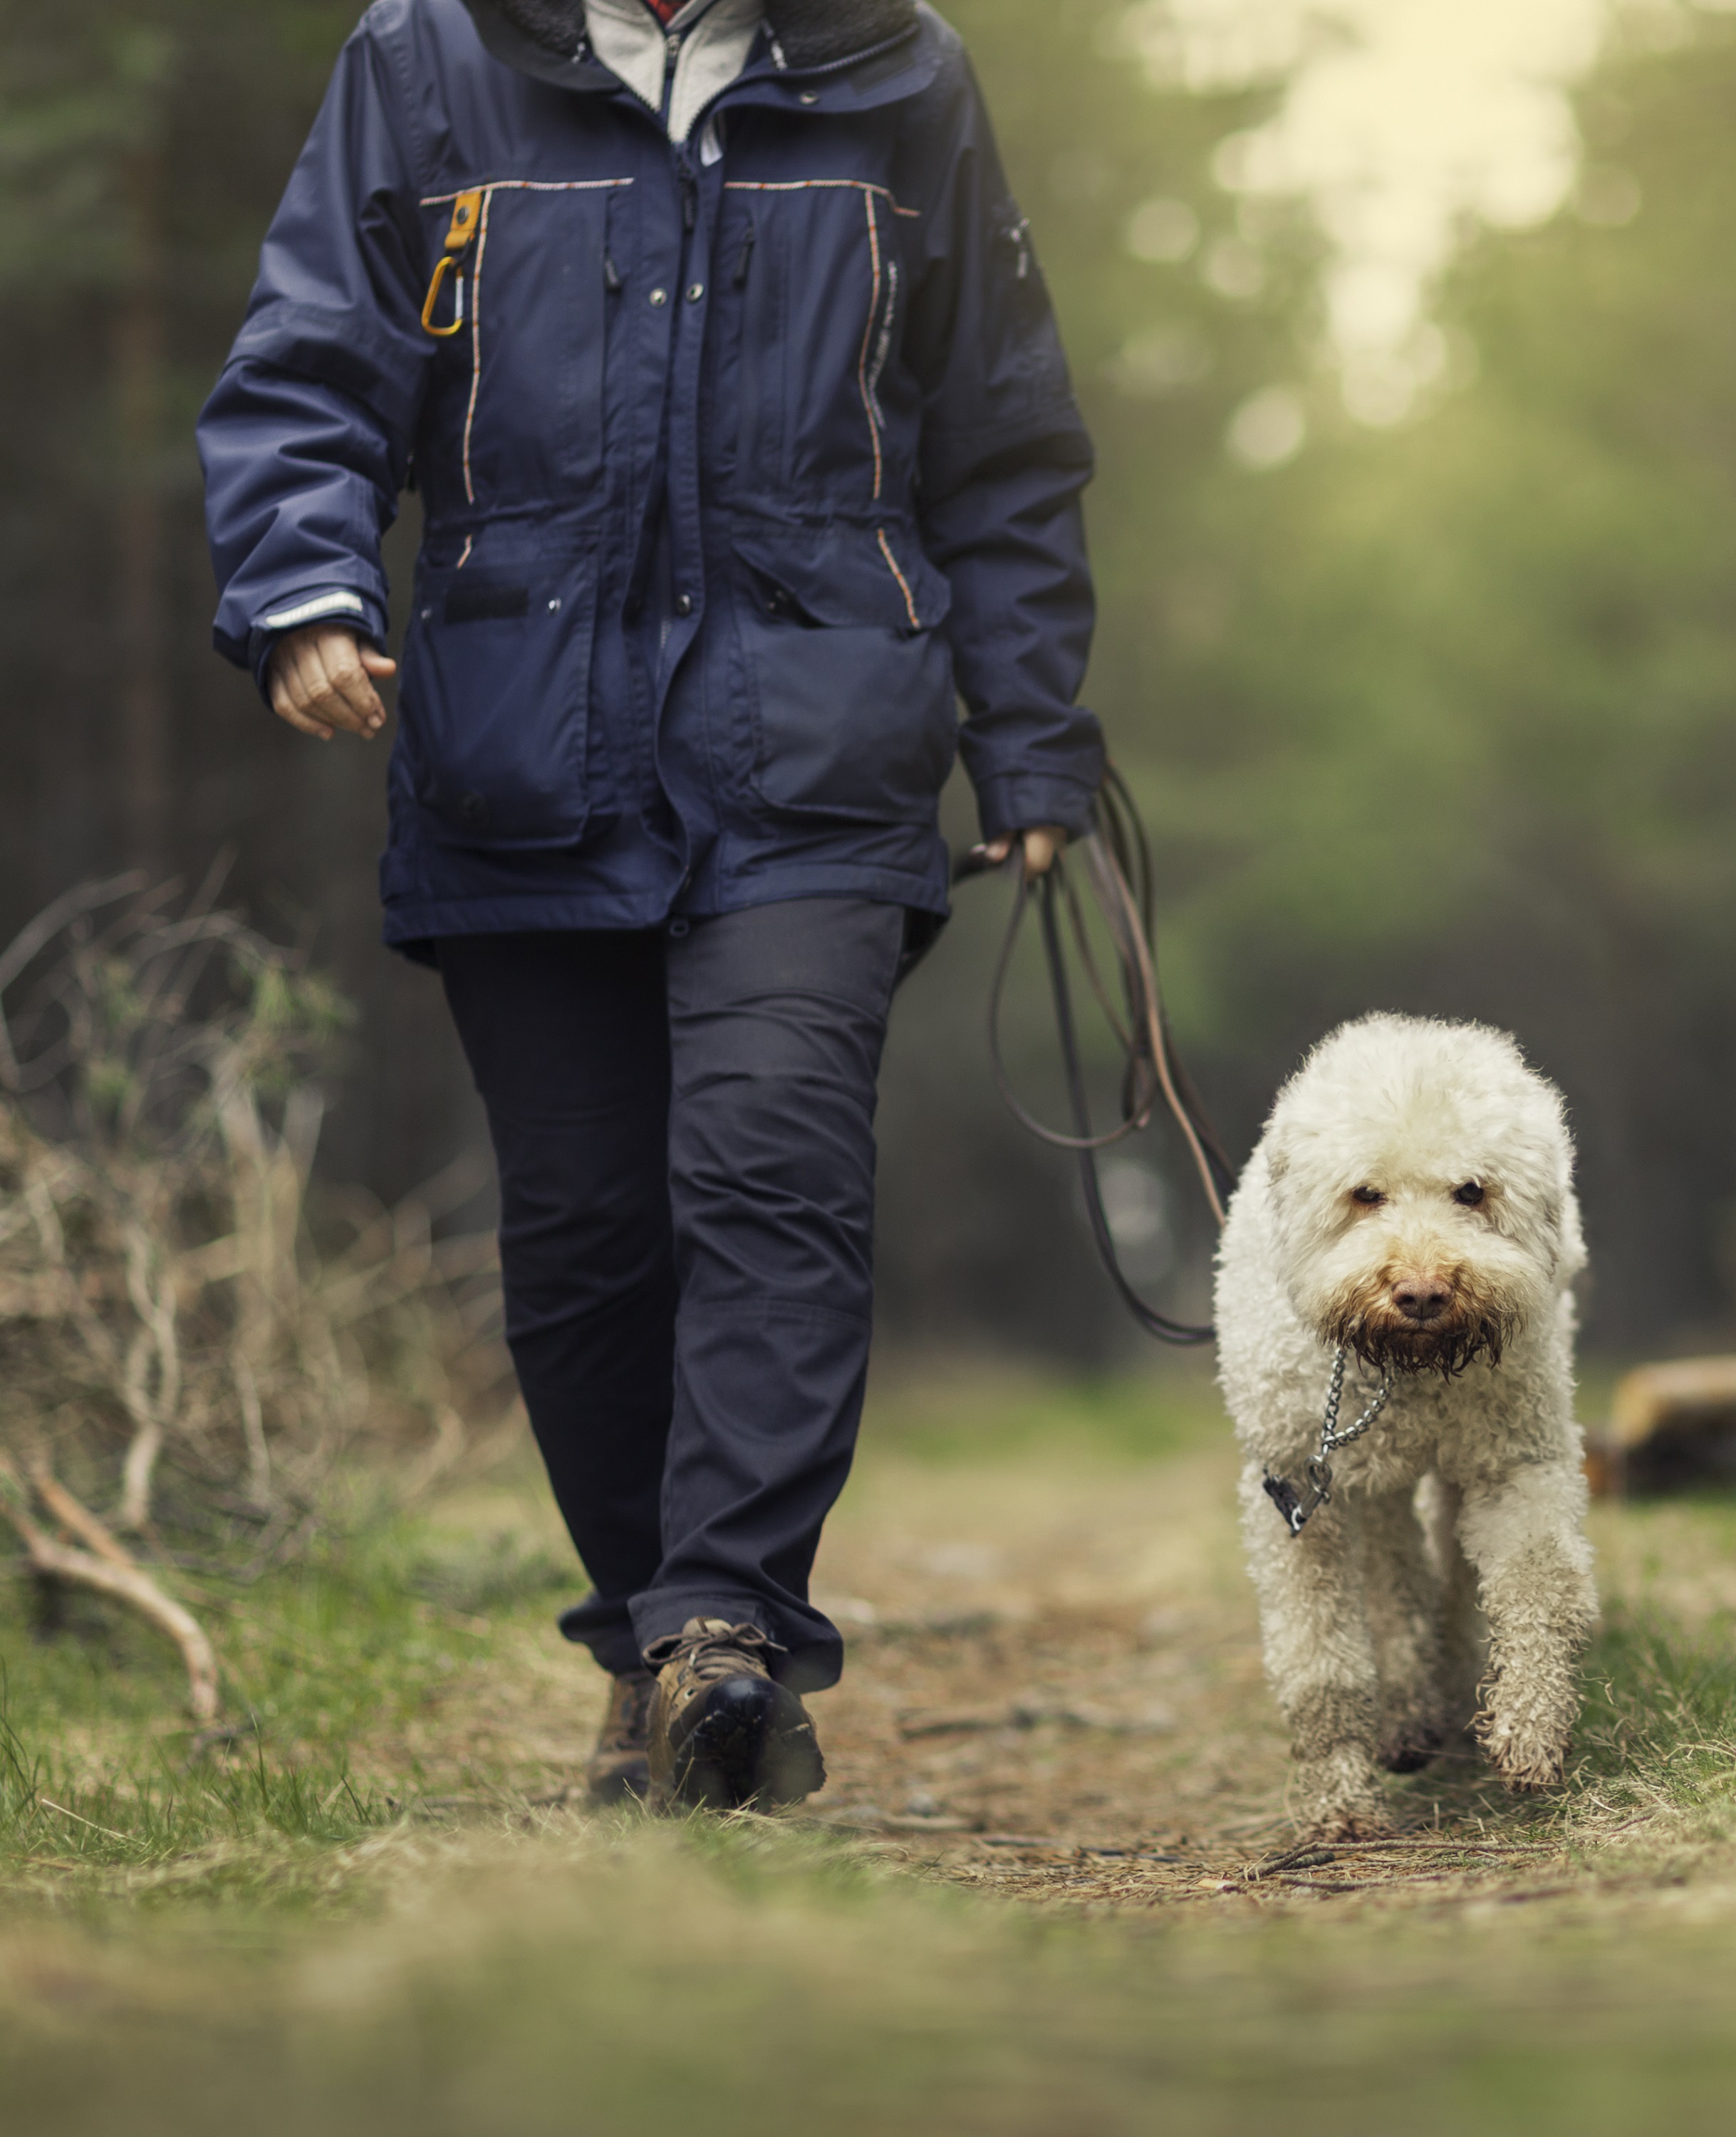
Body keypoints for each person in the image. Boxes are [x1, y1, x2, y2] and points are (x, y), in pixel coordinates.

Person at [199, 0, 1101, 1811]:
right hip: (520, 754)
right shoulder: (424, 60)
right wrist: (301, 587)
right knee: (585, 1239)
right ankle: (651, 1644)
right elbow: (312, 356)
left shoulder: (900, 71)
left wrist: (1032, 741)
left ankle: (726, 1628)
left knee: (775, 1175)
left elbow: (1000, 438)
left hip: (818, 759)